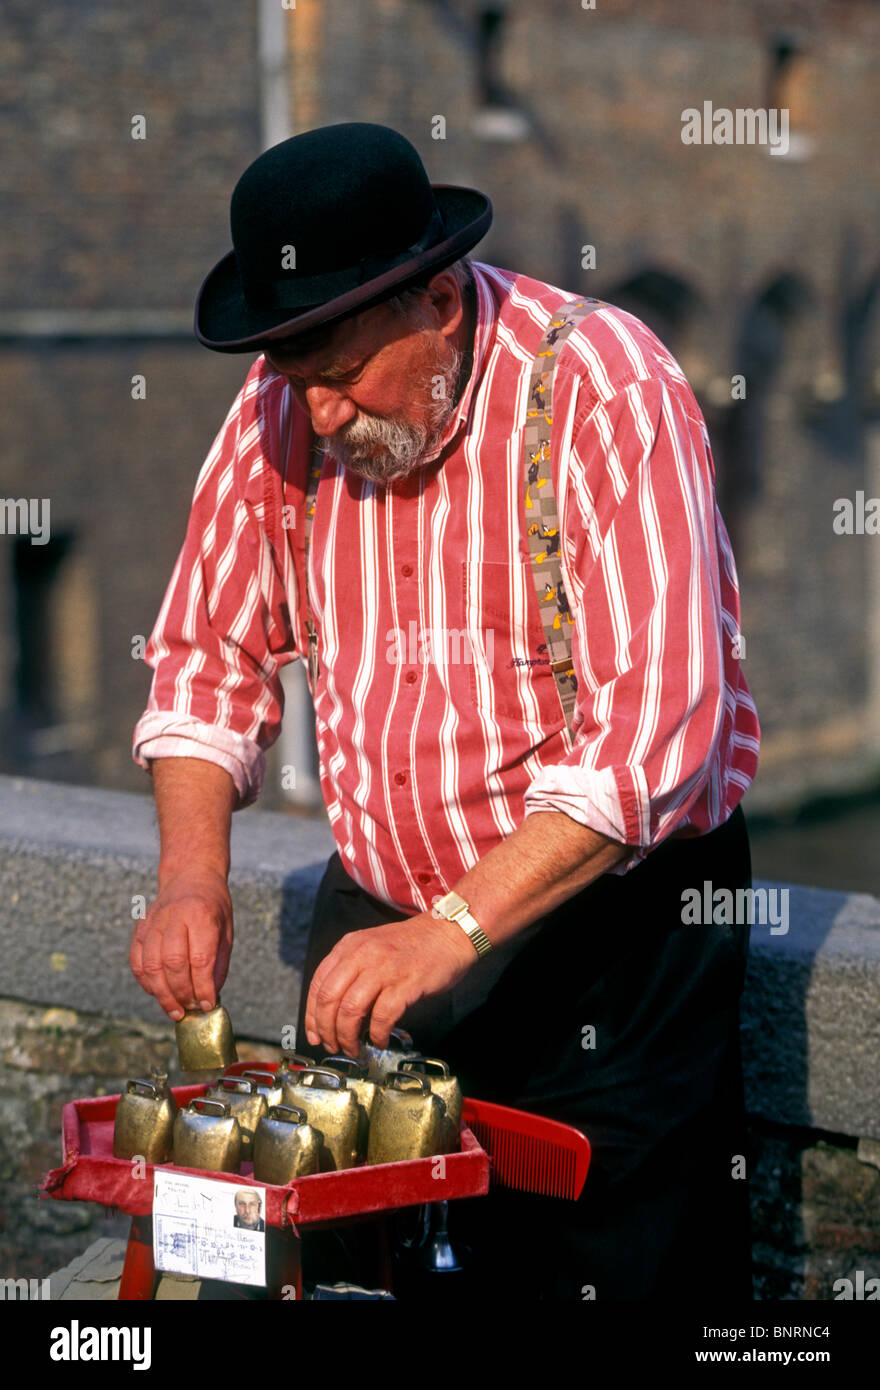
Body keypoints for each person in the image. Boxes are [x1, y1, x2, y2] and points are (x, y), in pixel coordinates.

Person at [130, 123, 760, 1300]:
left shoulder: (602, 387)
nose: (315, 415)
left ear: (437, 301)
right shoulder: (284, 401)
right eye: (293, 376)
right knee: (377, 1276)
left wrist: (452, 929)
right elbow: (206, 663)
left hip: (605, 949)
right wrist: (190, 878)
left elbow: (654, 738)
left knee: (612, 1271)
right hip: (383, 929)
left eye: (341, 376)